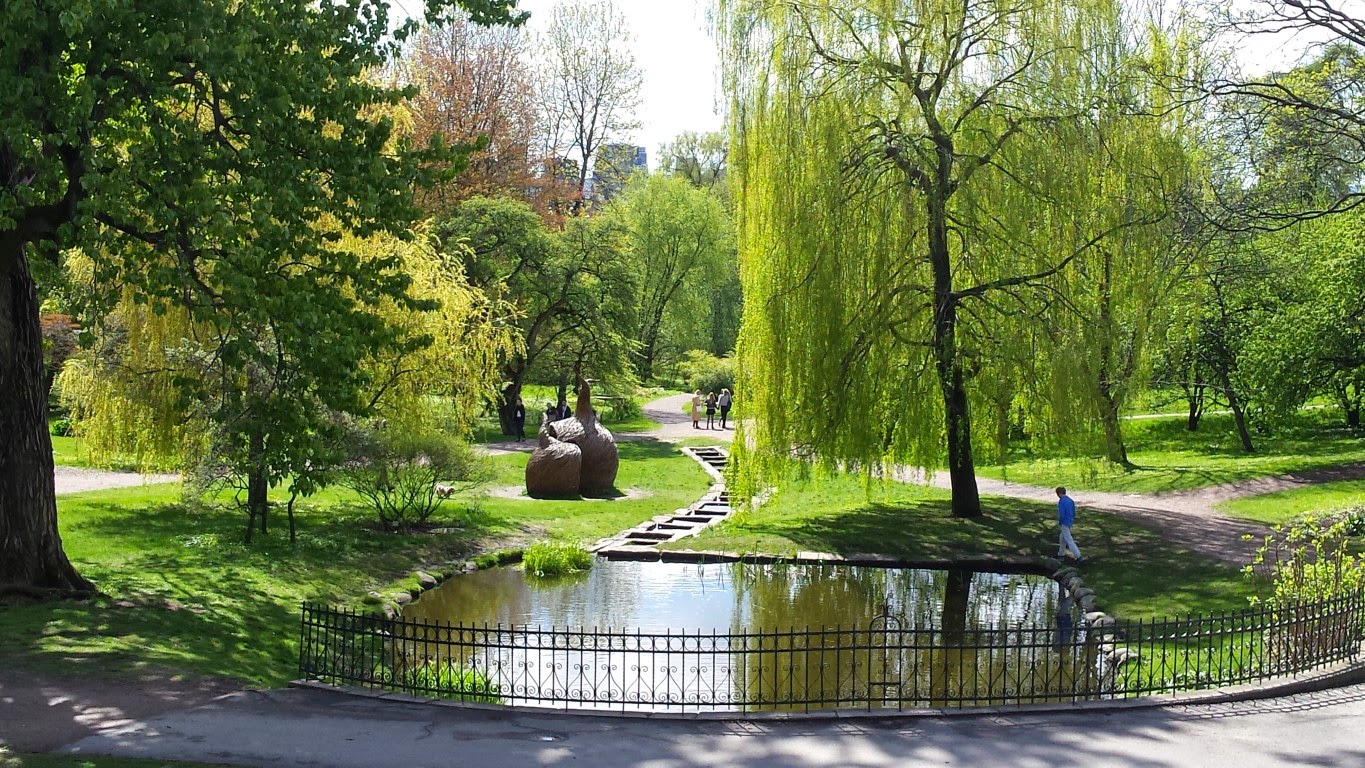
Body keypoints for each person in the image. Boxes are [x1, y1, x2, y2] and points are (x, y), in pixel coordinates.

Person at [1056, 486, 1084, 563]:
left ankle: (1078, 556)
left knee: (1068, 539)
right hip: (1069, 521)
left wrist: (1060, 522)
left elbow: (1062, 514)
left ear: (1059, 493)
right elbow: (1073, 512)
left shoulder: (1062, 501)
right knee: (1062, 538)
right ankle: (1061, 554)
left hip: (1064, 522)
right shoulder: (1070, 500)